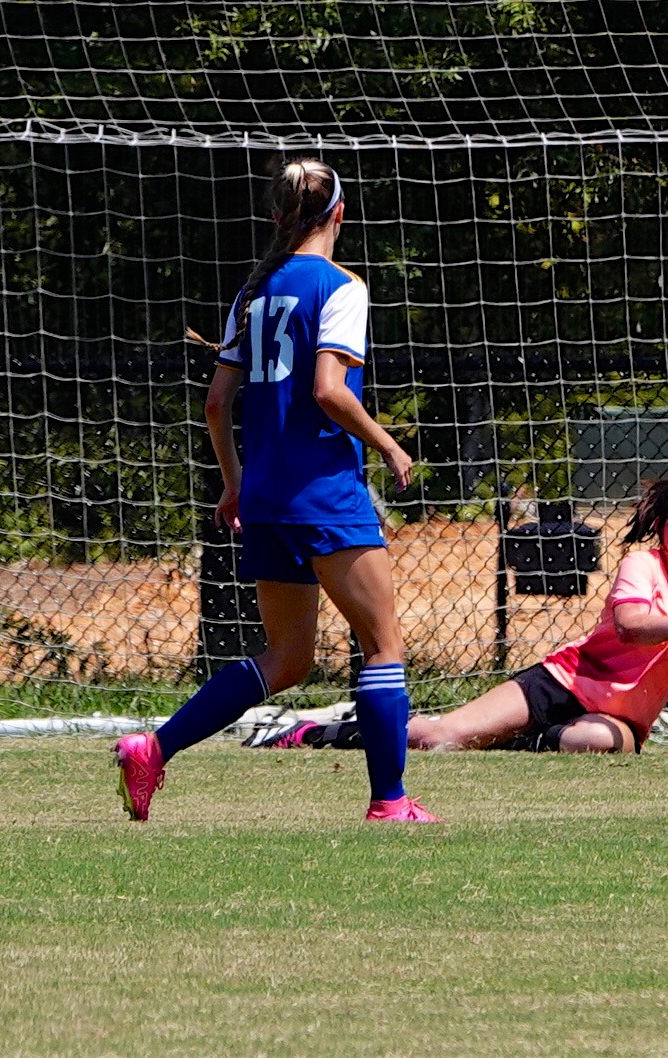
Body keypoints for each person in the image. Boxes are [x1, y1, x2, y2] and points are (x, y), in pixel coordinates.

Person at [113, 157, 439, 823]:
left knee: (286, 659)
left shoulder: (252, 295)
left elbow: (215, 404)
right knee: (383, 646)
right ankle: (390, 801)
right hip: (322, 490)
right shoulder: (342, 286)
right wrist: (388, 442)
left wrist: (235, 484)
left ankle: (154, 748)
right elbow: (326, 390)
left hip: (264, 496)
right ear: (340, 215)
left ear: (274, 217)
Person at [248, 478, 668, 754]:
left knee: (597, 747)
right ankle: (319, 734)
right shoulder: (639, 564)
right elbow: (629, 626)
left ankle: (517, 739)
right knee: (438, 738)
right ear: (662, 527)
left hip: (620, 719)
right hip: (563, 683)